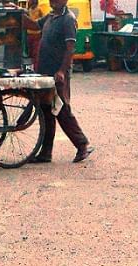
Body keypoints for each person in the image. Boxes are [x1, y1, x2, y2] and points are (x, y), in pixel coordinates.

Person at [34, 0, 92, 163]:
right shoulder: (51, 17)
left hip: (58, 73)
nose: (53, 1)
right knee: (46, 111)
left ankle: (82, 145)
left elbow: (70, 48)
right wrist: (17, 11)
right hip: (45, 71)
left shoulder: (68, 19)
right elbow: (32, 25)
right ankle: (46, 152)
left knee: (61, 110)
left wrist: (61, 70)